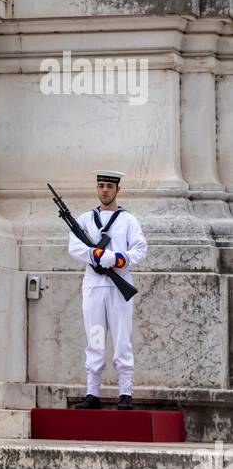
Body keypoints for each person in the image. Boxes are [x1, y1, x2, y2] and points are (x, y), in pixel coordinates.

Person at [68, 170, 147, 410]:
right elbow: (74, 247)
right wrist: (94, 253)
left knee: (122, 338)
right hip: (93, 285)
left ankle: (125, 392)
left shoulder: (128, 220)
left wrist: (118, 259)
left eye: (109, 187)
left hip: (118, 283)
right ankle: (92, 392)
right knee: (95, 337)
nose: (105, 190)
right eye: (101, 185)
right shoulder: (84, 219)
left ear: (117, 190)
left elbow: (140, 249)